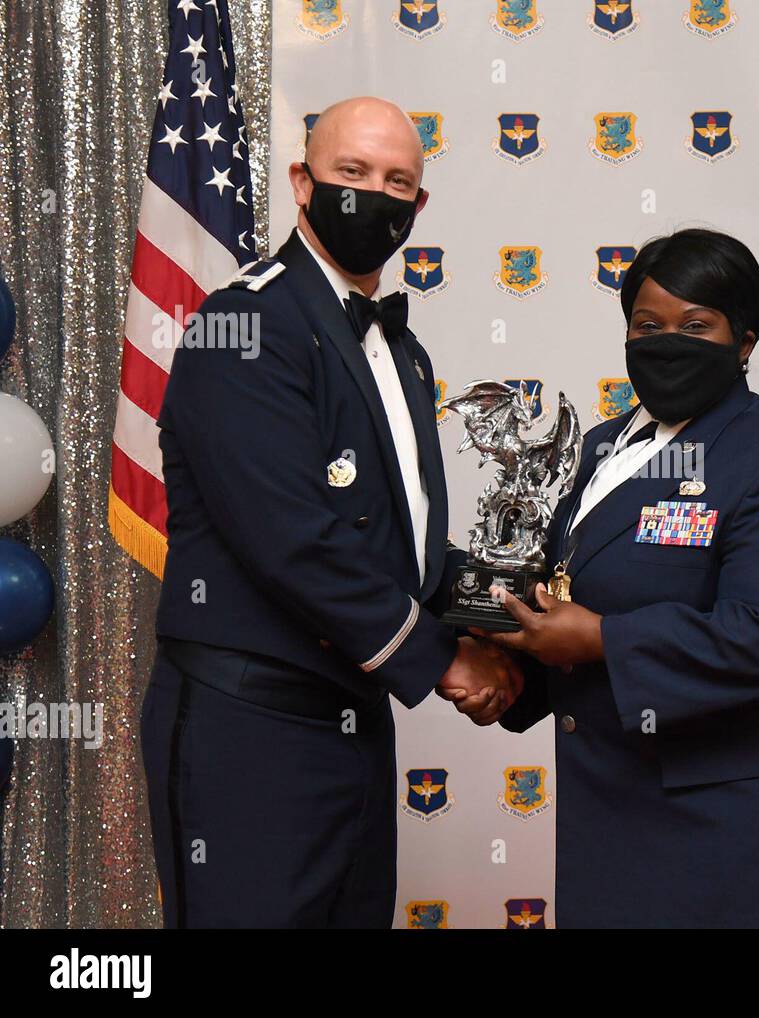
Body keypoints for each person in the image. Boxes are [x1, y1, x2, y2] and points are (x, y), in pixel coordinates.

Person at [139, 97, 520, 929]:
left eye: (397, 182)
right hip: (250, 729)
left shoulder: (401, 352)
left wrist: (525, 619)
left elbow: (397, 543)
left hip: (352, 722)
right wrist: (446, 662)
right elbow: (293, 542)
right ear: (302, 181)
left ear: (418, 208)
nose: (373, 196)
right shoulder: (243, 324)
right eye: (352, 174)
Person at [483, 228, 759, 929]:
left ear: (744, 341)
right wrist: (508, 664)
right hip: (616, 825)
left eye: (696, 325)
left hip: (735, 844)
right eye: (646, 325)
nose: (666, 341)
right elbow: (574, 593)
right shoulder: (600, 448)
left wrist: (599, 639)